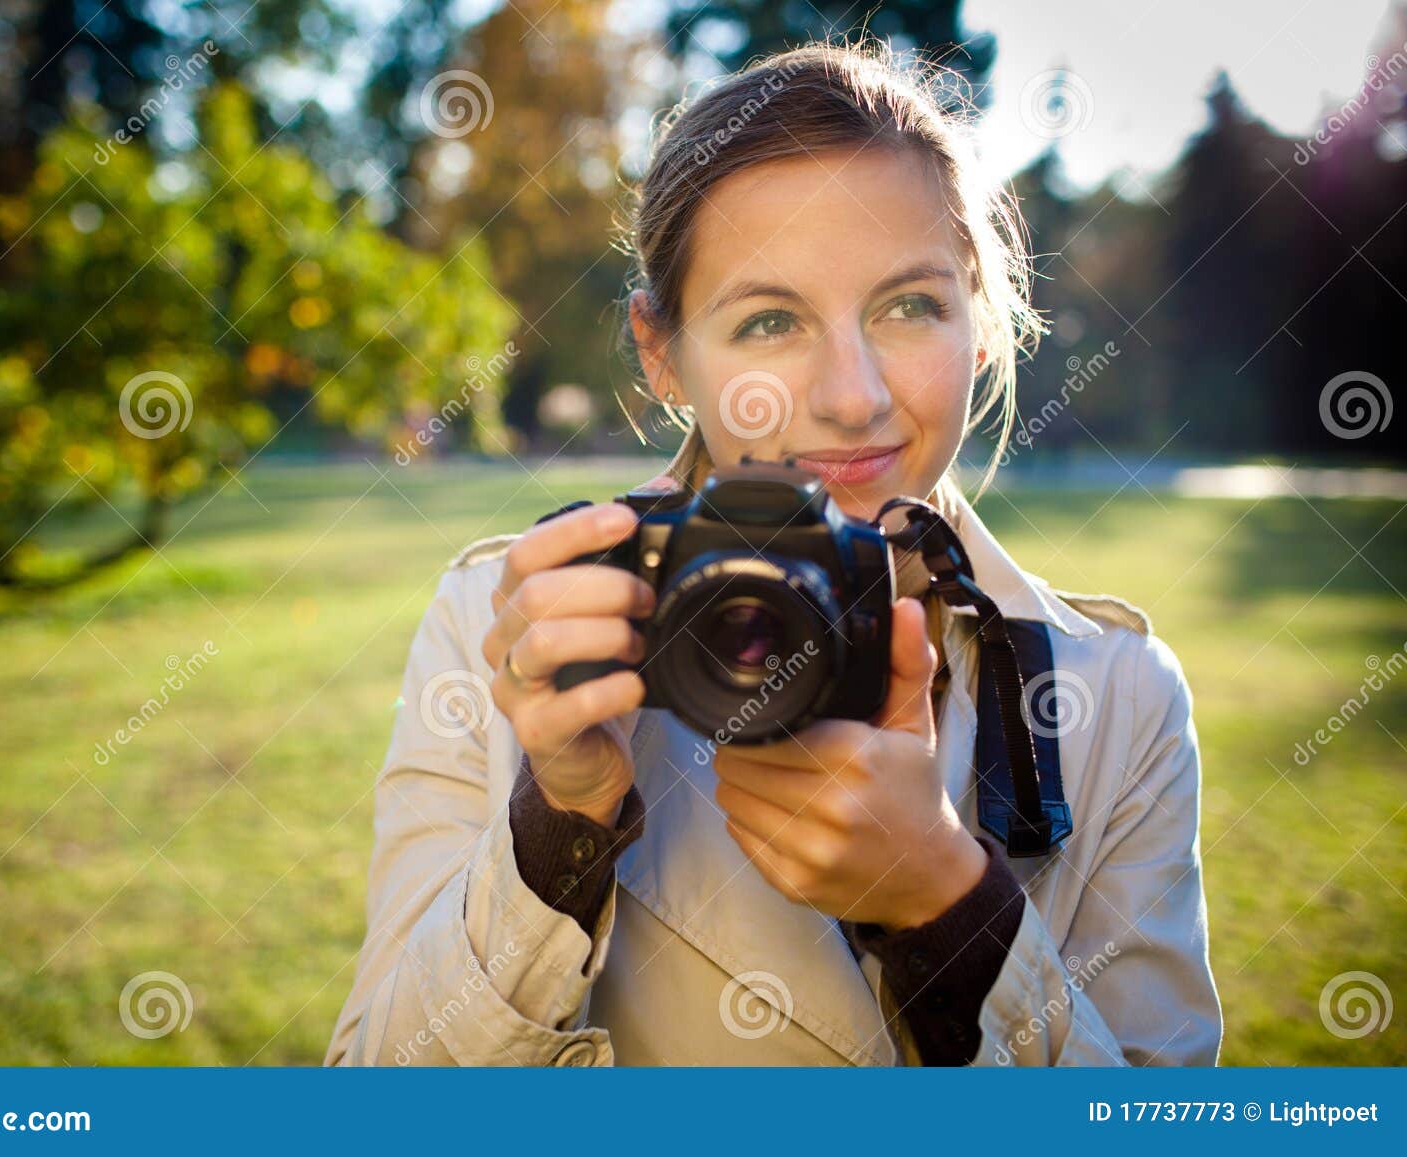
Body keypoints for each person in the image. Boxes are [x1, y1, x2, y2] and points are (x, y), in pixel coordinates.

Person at [324, 38, 1222, 1067]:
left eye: (908, 305)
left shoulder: (1119, 697)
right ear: (662, 352)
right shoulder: (513, 621)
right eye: (768, 320)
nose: (852, 394)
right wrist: (559, 825)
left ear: (982, 322)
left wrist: (946, 906)